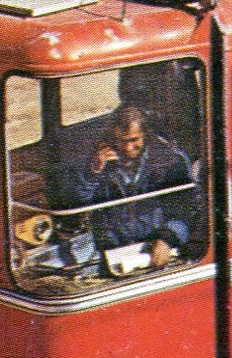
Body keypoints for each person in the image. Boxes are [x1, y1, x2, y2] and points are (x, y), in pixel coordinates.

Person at [65, 104, 196, 268]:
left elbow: (186, 211)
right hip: (109, 251)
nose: (127, 148)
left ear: (146, 134)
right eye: (122, 141)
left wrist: (168, 238)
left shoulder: (170, 161)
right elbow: (77, 203)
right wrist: (93, 172)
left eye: (134, 140)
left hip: (157, 249)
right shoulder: (98, 161)